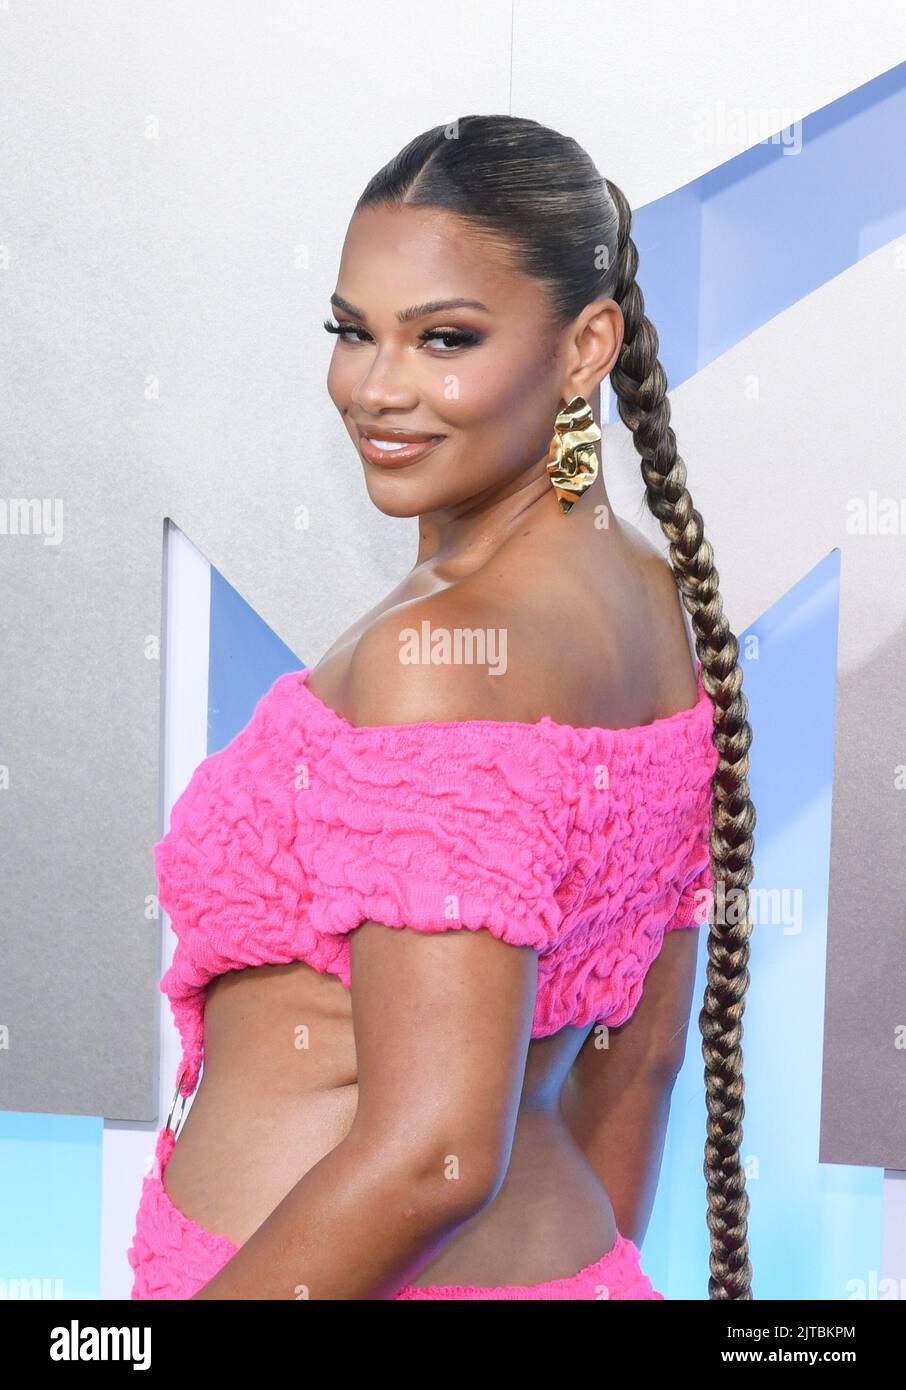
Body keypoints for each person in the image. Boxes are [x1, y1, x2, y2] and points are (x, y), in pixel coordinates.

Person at [128, 114, 755, 1301]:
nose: (378, 389)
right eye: (353, 333)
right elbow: (640, 1066)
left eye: (444, 339)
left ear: (586, 350)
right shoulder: (661, 614)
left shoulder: (442, 659)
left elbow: (433, 1157)